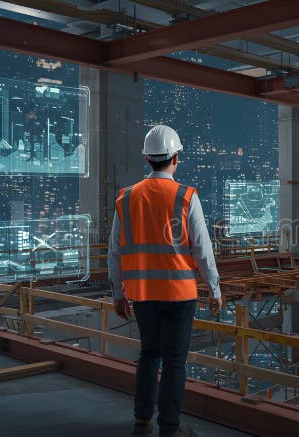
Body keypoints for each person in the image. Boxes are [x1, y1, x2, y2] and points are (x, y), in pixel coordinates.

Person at [108, 125, 222, 437]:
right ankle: (169, 428)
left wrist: (118, 294)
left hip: (142, 295)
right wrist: (215, 287)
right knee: (174, 363)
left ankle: (141, 420)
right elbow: (202, 248)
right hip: (179, 295)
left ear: (147, 158)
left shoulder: (126, 198)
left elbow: (115, 252)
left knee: (149, 354)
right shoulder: (186, 196)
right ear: (175, 158)